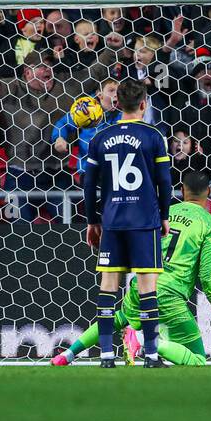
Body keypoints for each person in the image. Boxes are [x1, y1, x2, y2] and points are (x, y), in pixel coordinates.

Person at [56, 168, 211, 367]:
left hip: (144, 282)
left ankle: (66, 354)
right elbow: (207, 275)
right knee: (198, 359)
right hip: (171, 294)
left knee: (118, 317)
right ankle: (145, 341)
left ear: (181, 191)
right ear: (209, 192)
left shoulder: (164, 214)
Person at [82, 79, 173, 368]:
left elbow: (89, 184)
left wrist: (92, 221)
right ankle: (151, 355)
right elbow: (165, 181)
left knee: (108, 287)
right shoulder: (153, 136)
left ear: (116, 103)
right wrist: (165, 216)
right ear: (144, 104)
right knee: (147, 288)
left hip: (112, 222)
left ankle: (107, 355)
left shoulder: (99, 138)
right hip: (144, 222)